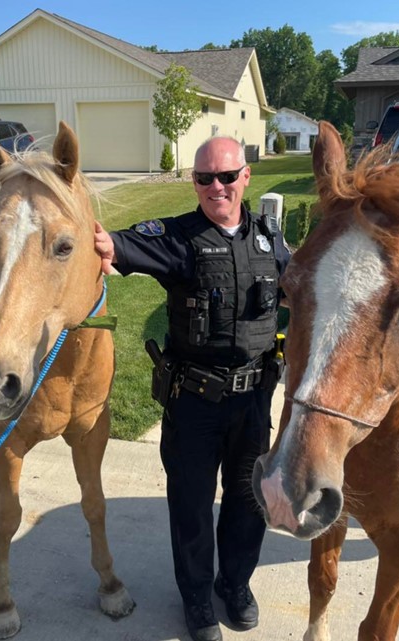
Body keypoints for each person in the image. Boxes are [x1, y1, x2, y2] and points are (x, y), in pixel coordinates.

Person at [94, 137, 290, 641]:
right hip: (194, 402)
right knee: (193, 507)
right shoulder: (177, 237)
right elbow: (113, 244)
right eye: (204, 178)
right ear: (194, 182)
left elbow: (303, 287)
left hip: (253, 401)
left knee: (249, 502)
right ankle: (199, 598)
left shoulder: (269, 240)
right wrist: (91, 240)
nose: (215, 187)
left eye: (226, 176)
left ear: (246, 177)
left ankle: (235, 584)